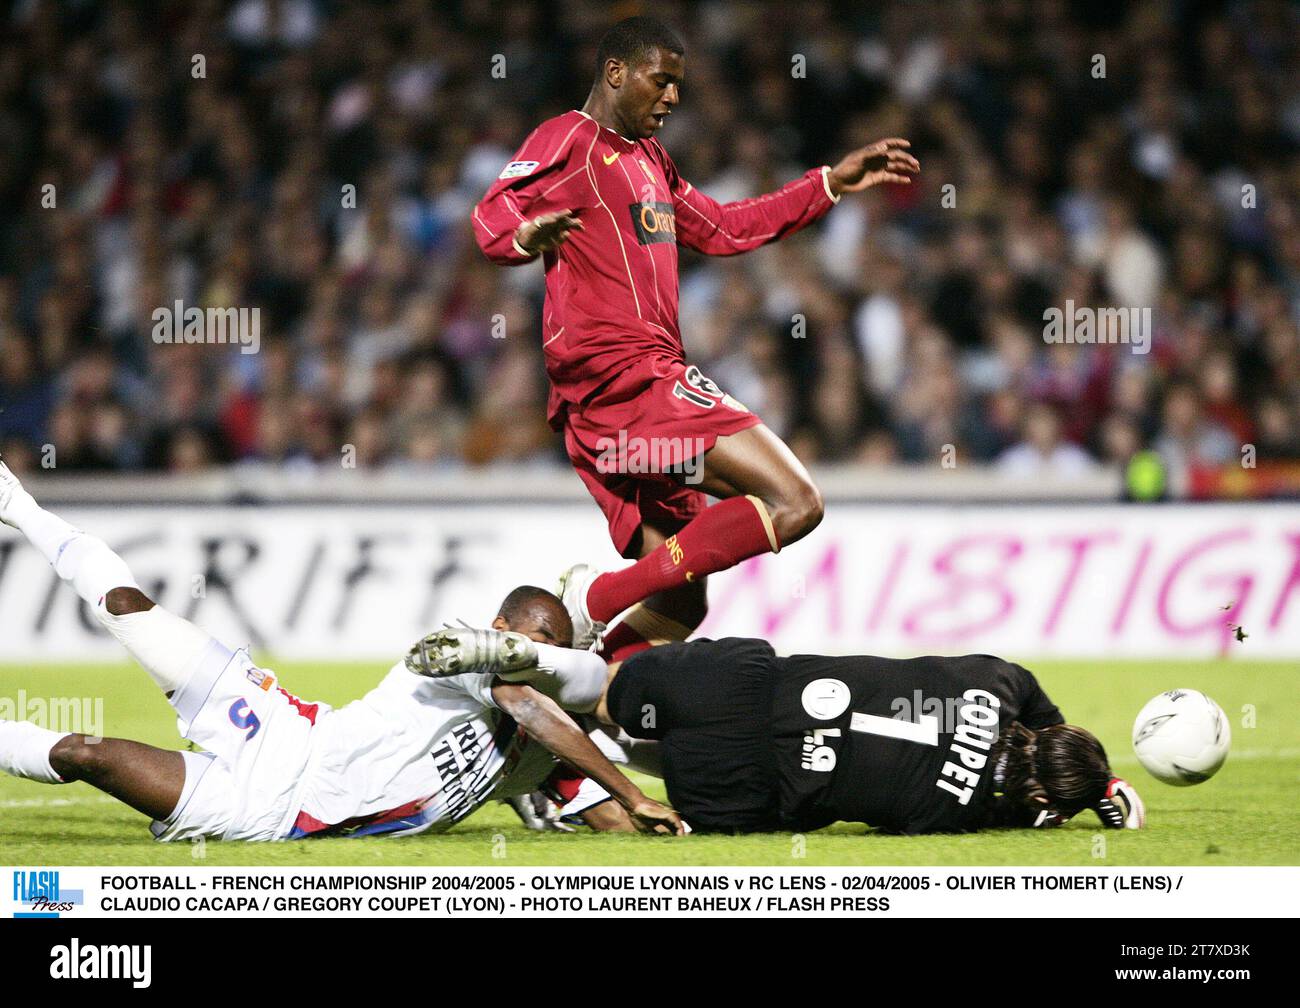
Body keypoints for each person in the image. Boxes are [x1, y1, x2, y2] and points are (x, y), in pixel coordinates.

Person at [472, 15, 919, 657]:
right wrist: (522, 237)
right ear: (616, 73)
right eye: (662, 81)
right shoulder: (567, 137)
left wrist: (828, 184)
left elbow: (726, 228)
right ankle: (593, 601)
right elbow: (492, 211)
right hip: (627, 379)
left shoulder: (652, 162)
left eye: (679, 85)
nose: (673, 98)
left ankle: (574, 692)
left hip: (620, 416)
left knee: (683, 597)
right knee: (796, 501)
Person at [0, 459, 682, 841]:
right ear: (500, 623)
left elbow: (611, 810)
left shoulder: (537, 754)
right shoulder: (466, 654)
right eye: (534, 642)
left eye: (551, 651)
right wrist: (625, 788)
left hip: (270, 812)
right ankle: (19, 503)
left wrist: (660, 810)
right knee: (130, 609)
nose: (537, 657)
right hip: (284, 729)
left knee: (83, 754)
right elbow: (527, 704)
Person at [424, 627, 1146, 837]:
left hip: (752, 680)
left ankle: (533, 660)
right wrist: (1082, 800)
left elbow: (1033, 698)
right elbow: (1007, 802)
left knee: (610, 690)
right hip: (752, 783)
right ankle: (551, 769)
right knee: (647, 765)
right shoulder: (958, 813)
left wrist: (1088, 764)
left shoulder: (999, 681)